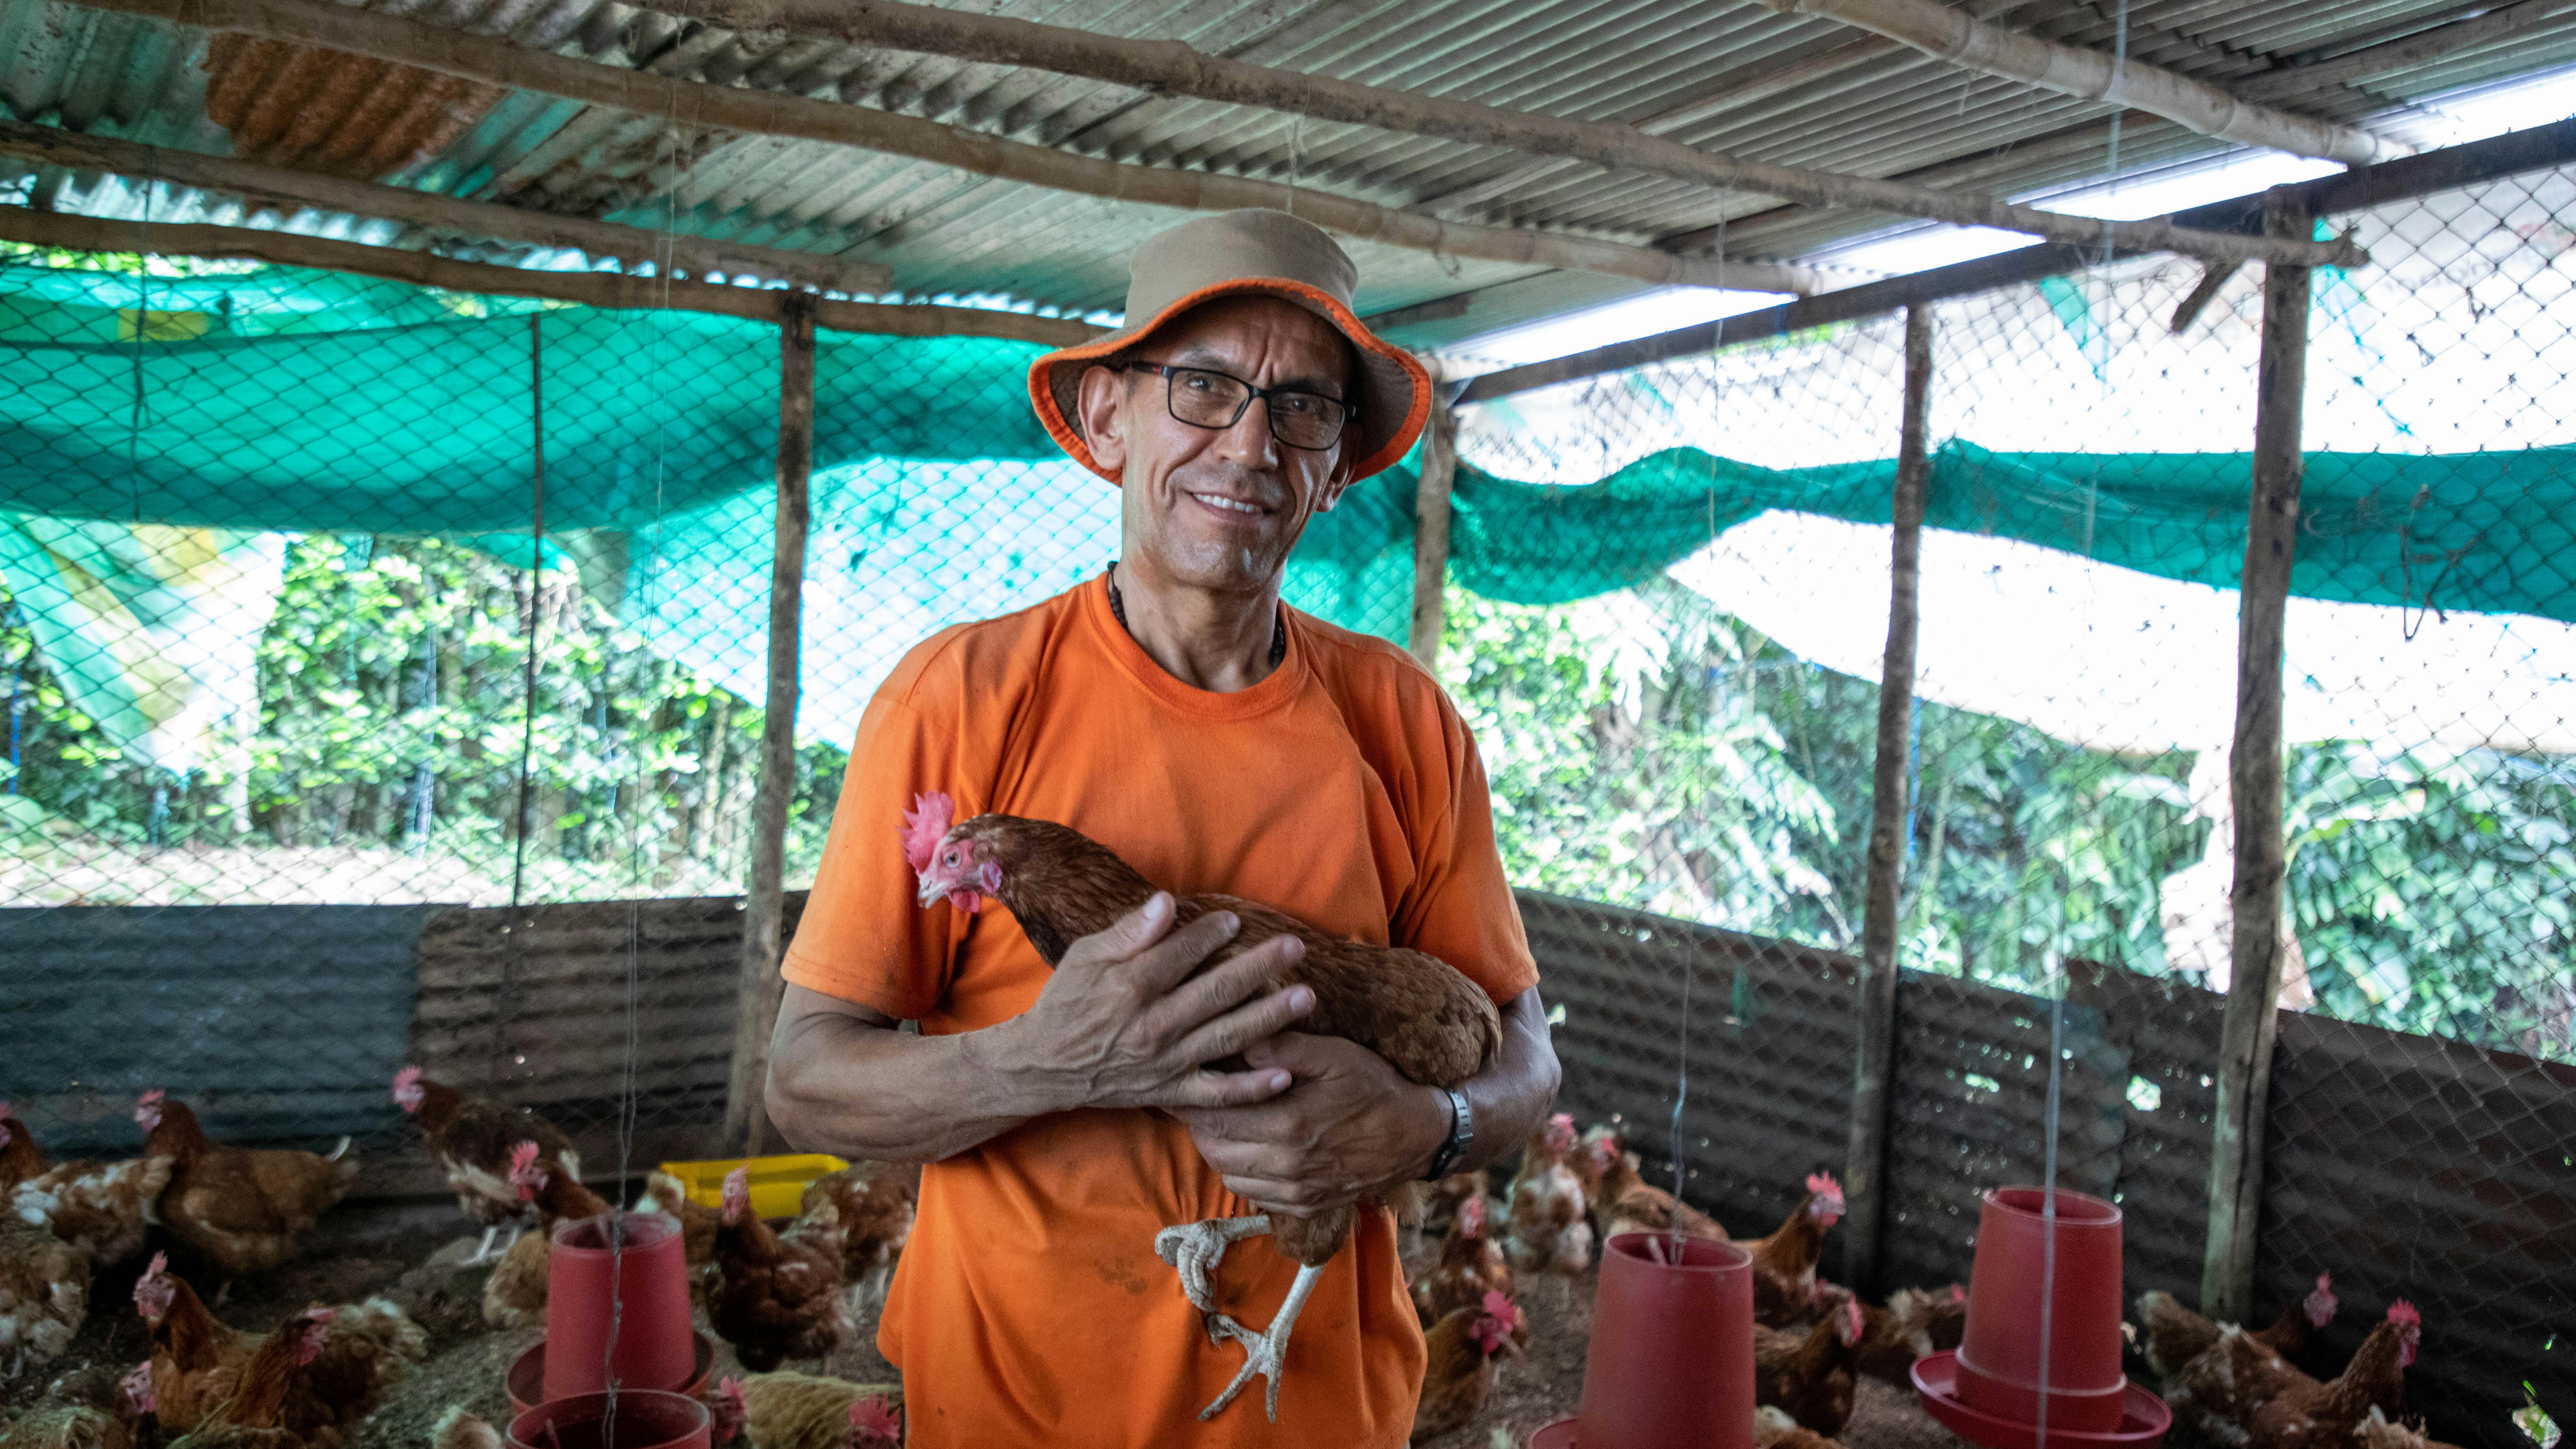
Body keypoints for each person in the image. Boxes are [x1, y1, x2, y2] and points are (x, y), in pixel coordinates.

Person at [766, 208, 1560, 1448]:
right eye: (1203, 387)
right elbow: (803, 1078)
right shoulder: (960, 700)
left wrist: (1429, 1127)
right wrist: (1042, 1062)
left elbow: (1523, 1047)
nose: (1248, 442)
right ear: (1107, 419)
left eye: (1302, 407)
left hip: (1319, 1413)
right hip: (1015, 1410)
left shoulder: (1406, 723)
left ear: (1337, 465)